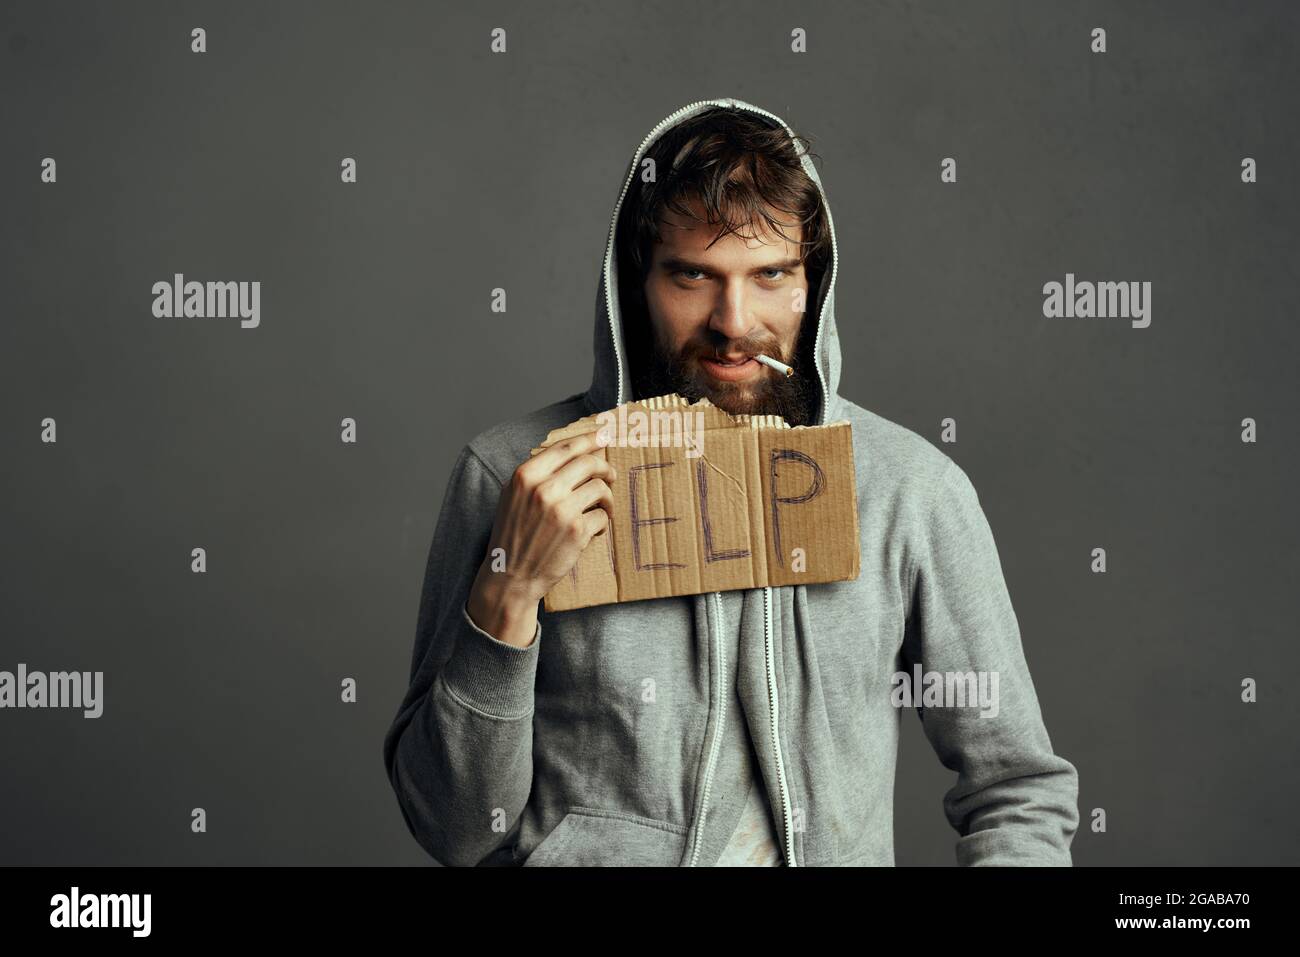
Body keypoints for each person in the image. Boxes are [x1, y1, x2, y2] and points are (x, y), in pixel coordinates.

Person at [382, 97, 1080, 867]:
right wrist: (507, 593)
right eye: (692, 275)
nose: (733, 320)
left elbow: (1016, 788)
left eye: (771, 273)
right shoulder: (517, 473)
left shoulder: (911, 491)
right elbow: (451, 827)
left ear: (812, 284)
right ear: (636, 283)